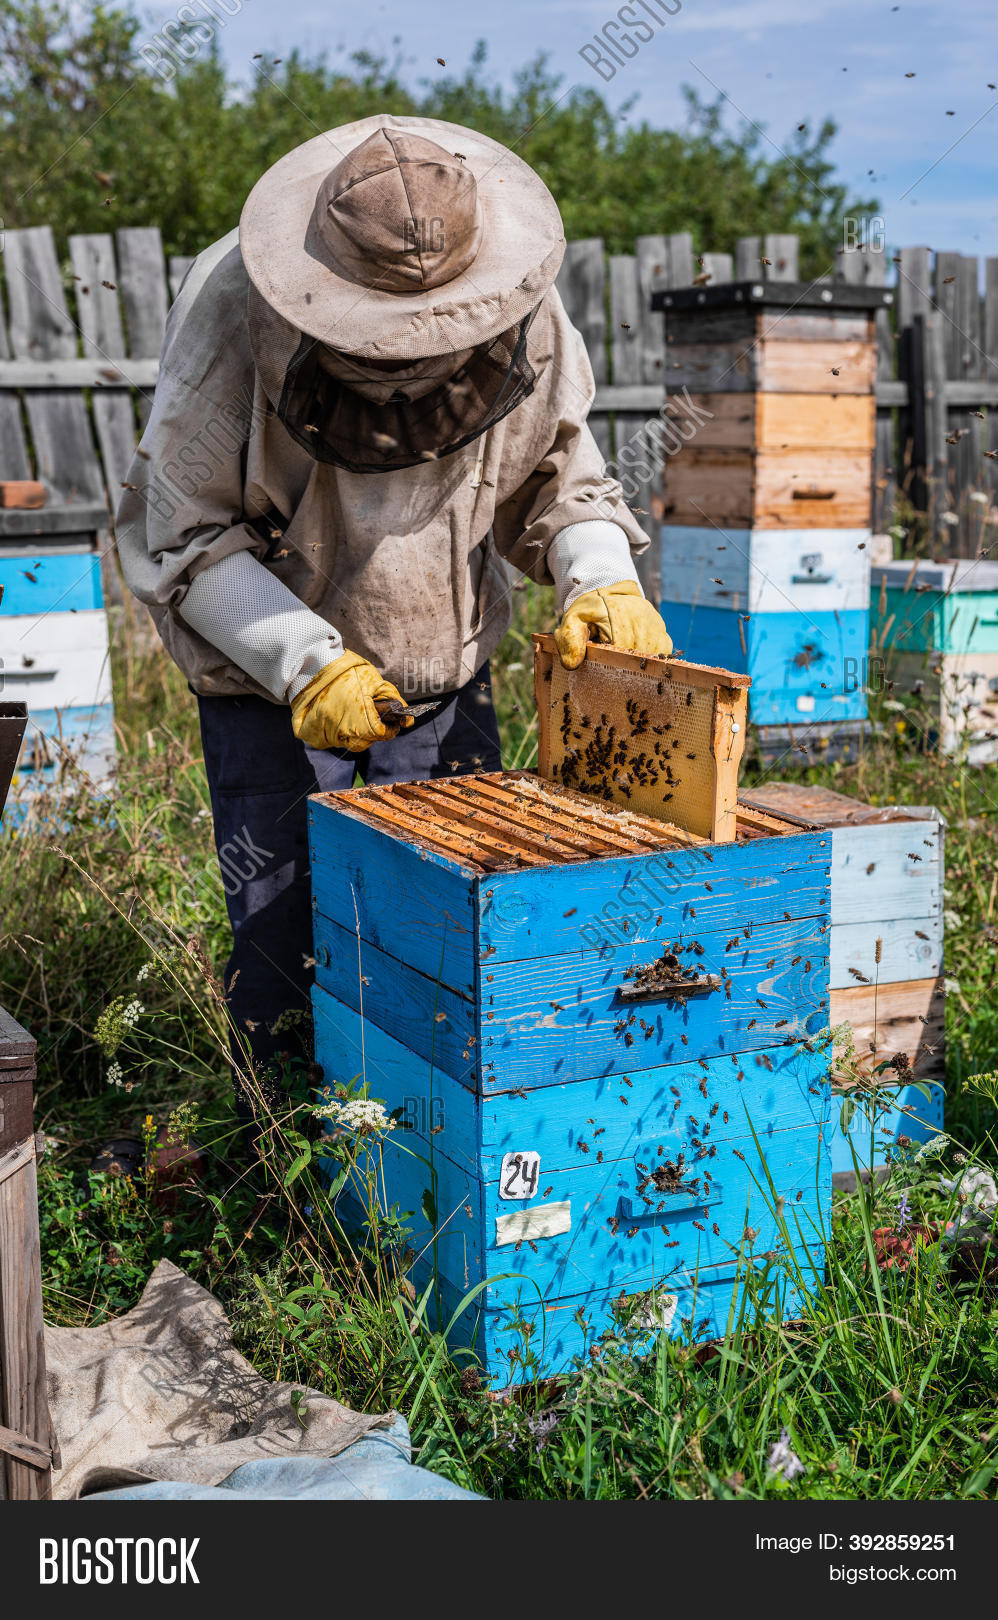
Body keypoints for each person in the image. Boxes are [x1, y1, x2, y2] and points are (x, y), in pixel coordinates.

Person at [116, 114, 673, 1118]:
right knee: (284, 934)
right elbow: (183, 538)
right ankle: (287, 1165)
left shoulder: (521, 300)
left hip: (447, 670)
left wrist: (599, 580)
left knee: (458, 938)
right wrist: (302, 662)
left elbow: (559, 478)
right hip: (275, 688)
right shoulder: (232, 303)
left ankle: (437, 1156)